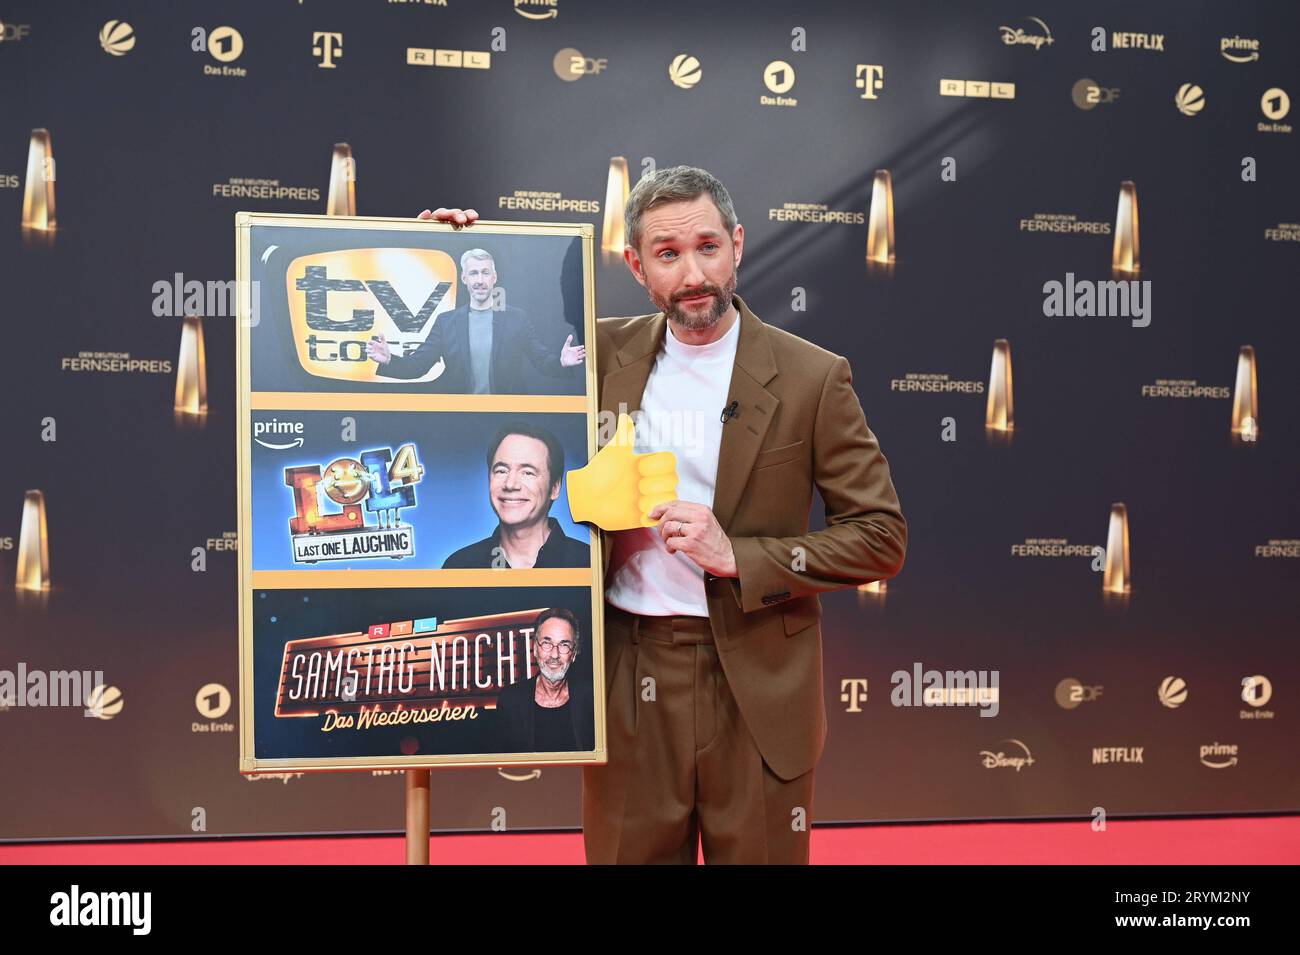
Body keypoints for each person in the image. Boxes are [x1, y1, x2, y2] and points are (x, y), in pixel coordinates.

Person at [419, 164, 907, 864]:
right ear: (636, 265)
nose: (693, 274)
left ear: (737, 244)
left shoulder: (813, 377)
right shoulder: (596, 358)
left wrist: (742, 555)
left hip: (760, 679)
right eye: (668, 255)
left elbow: (882, 537)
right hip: (627, 674)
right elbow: (468, 390)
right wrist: (437, 257)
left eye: (709, 246)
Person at [366, 248, 585, 394]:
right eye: (473, 274)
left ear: (494, 278)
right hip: (462, 417)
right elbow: (418, 366)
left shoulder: (517, 319)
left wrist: (561, 362)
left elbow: (542, 360)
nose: (479, 280)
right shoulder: (446, 323)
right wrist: (389, 360)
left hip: (509, 416)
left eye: (485, 273)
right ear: (464, 279)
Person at [442, 421, 590, 569]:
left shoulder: (587, 563)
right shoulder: (459, 566)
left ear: (555, 487)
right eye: (501, 471)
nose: (510, 484)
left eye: (528, 472)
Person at [494, 607, 595, 753]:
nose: (554, 654)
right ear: (535, 649)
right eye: (547, 643)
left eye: (564, 645)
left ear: (573, 654)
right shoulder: (510, 700)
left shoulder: (592, 699)